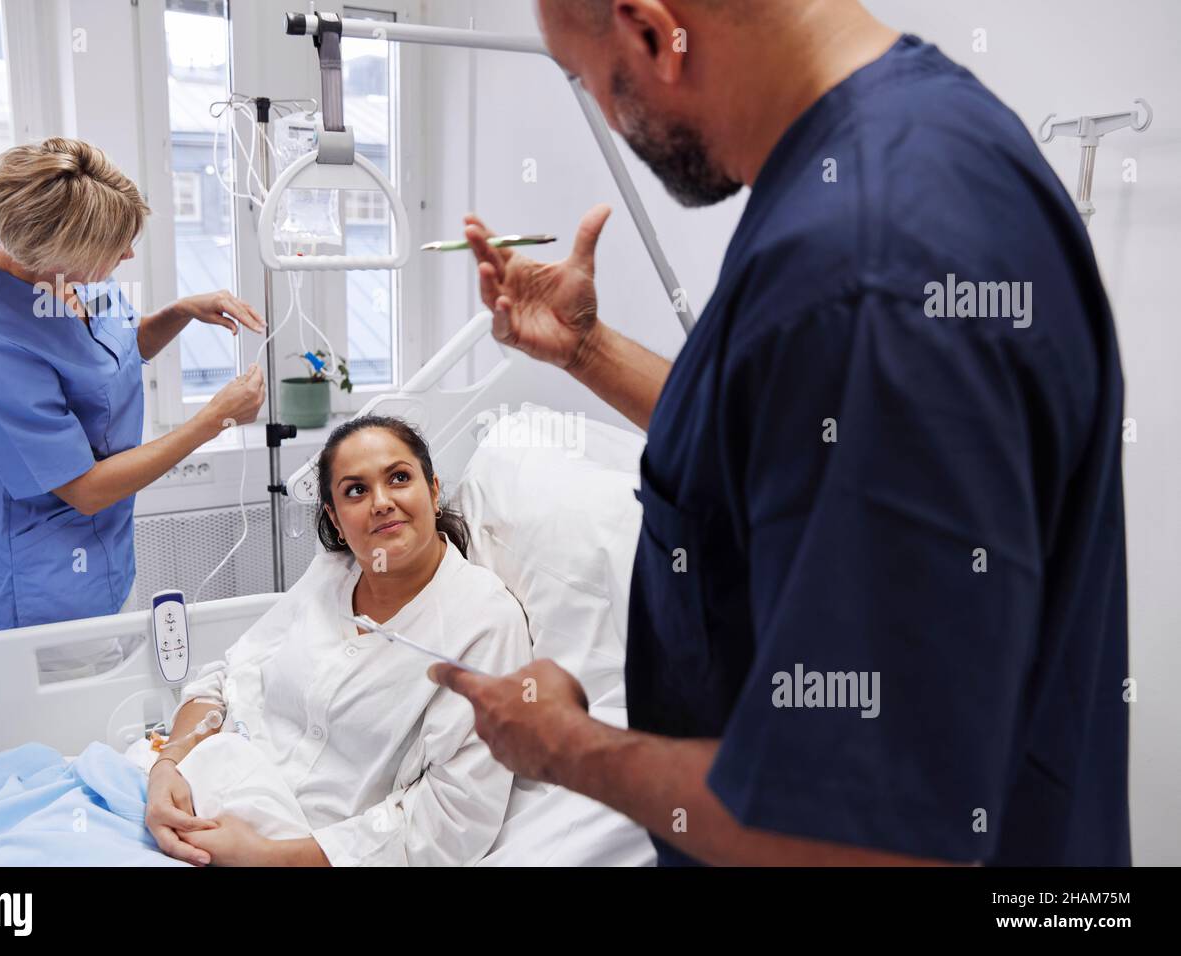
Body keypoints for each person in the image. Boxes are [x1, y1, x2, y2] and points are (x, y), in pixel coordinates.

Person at [429, 0, 1130, 866]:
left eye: (589, 82)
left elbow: (862, 840)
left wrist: (562, 745)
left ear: (652, 34)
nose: (608, 117)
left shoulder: (867, 266)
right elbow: (783, 434)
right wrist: (587, 350)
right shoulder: (929, 144)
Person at [142, 416, 532, 866]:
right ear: (334, 516)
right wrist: (167, 765)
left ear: (432, 489)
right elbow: (225, 682)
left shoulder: (483, 623)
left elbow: (450, 825)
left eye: (399, 478)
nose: (381, 502)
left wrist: (265, 856)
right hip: (190, 803)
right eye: (355, 490)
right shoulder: (330, 576)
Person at [0, 137, 267, 632]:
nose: (129, 255)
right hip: (49, 585)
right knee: (83, 705)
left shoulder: (66, 275)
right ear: (55, 251)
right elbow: (85, 491)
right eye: (117, 248)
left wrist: (180, 313)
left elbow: (108, 355)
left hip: (110, 551)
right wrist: (215, 419)